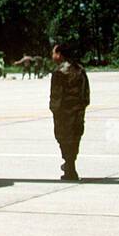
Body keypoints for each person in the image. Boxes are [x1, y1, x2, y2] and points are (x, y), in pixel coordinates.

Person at [49, 43, 89, 180]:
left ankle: (69, 167)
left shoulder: (59, 72)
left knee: (63, 138)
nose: (52, 55)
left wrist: (55, 111)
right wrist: (81, 107)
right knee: (74, 138)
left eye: (54, 52)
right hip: (77, 112)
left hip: (64, 113)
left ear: (59, 54)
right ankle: (70, 165)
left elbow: (56, 96)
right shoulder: (80, 70)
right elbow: (85, 93)